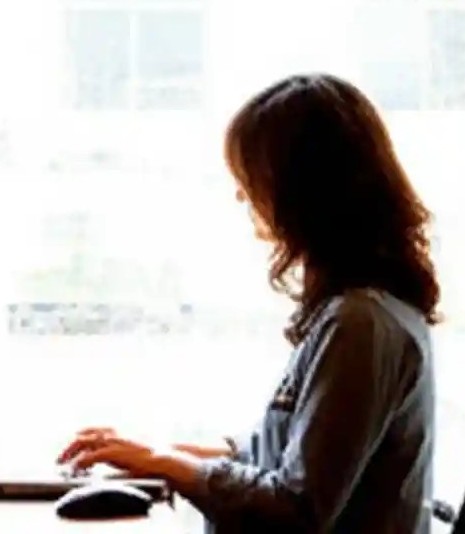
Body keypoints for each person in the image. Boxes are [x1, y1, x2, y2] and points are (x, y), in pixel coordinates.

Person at [57, 74, 440, 533]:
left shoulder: (362, 324)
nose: (242, 194)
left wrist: (167, 464)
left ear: (303, 188)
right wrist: (160, 455)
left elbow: (296, 511)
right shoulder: (357, 312)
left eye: (251, 177)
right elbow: (274, 454)